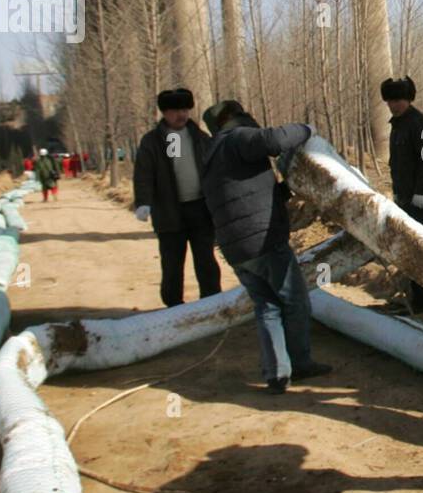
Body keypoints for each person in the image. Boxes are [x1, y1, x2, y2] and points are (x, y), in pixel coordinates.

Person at [200, 99, 330, 393]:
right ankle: (300, 363)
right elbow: (274, 140)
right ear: (234, 118)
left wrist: (285, 190)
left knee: (267, 307)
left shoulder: (211, 156)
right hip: (263, 240)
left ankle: (277, 374)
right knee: (296, 300)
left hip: (235, 249)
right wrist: (307, 129)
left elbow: (244, 195)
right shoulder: (238, 139)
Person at [133, 88, 222, 308]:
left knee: (206, 260)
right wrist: (143, 202)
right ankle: (174, 307)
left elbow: (217, 170)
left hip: (200, 210)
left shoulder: (201, 138)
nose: (180, 115)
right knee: (172, 263)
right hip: (169, 212)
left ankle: (212, 303)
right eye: (174, 111)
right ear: (164, 113)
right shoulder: (152, 142)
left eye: (184, 109)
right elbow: (143, 174)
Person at [382, 76, 423, 313]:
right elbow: (396, 163)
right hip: (405, 197)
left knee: (422, 249)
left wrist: (422, 192)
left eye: (398, 100)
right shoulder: (397, 126)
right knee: (409, 248)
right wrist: (398, 193)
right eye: (390, 101)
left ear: (408, 99)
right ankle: (415, 295)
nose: (394, 105)